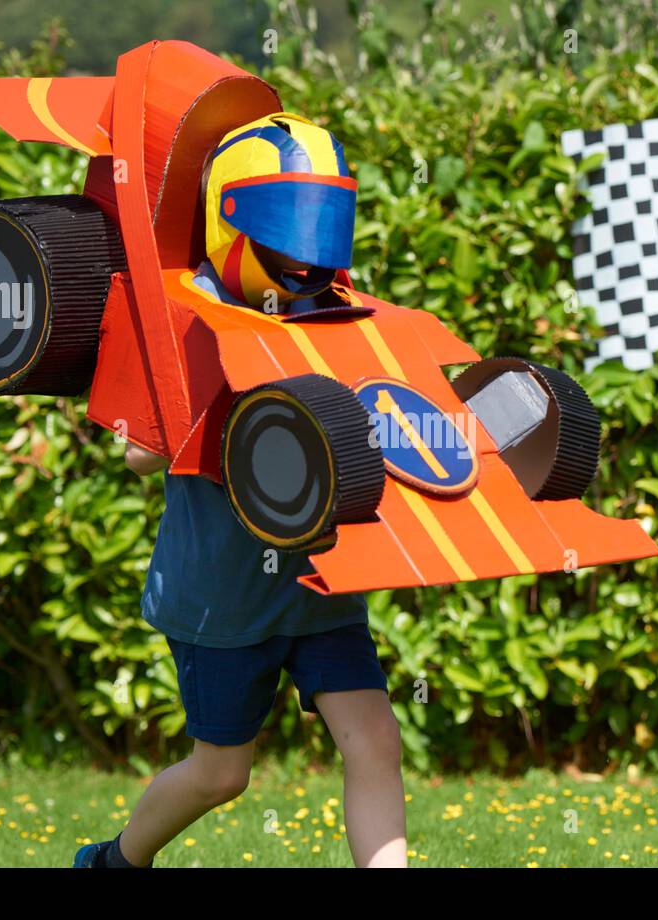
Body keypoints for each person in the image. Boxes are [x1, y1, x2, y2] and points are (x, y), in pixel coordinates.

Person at [75, 113, 406, 868]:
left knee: (377, 738)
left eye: (320, 222)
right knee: (223, 772)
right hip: (220, 595)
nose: (305, 249)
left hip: (320, 582)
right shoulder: (185, 317)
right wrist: (190, 410)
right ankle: (114, 860)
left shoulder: (335, 311)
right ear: (235, 216)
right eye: (288, 223)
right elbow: (135, 454)